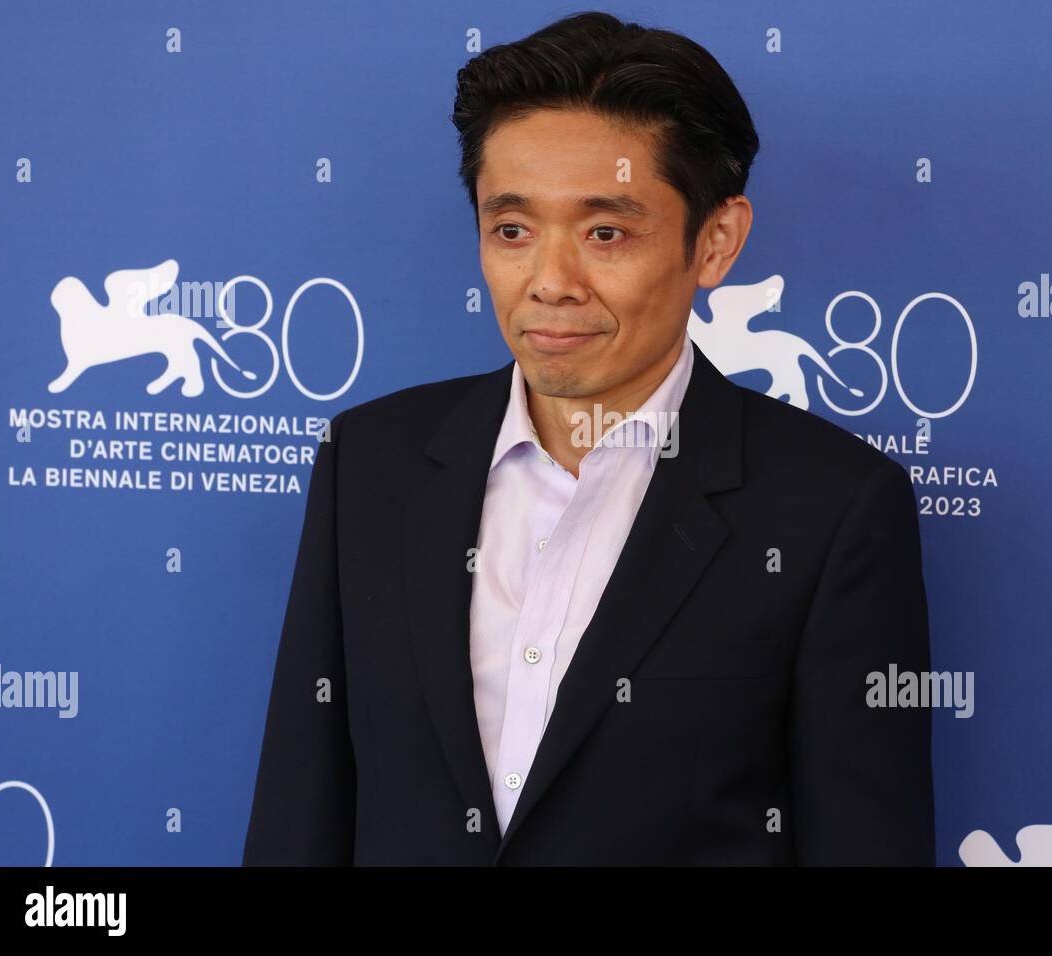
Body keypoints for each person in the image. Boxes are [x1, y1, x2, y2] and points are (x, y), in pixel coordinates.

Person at [243, 10, 934, 866]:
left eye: (606, 233)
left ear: (715, 241)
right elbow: (300, 810)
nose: (551, 284)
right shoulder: (371, 461)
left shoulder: (830, 508)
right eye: (512, 231)